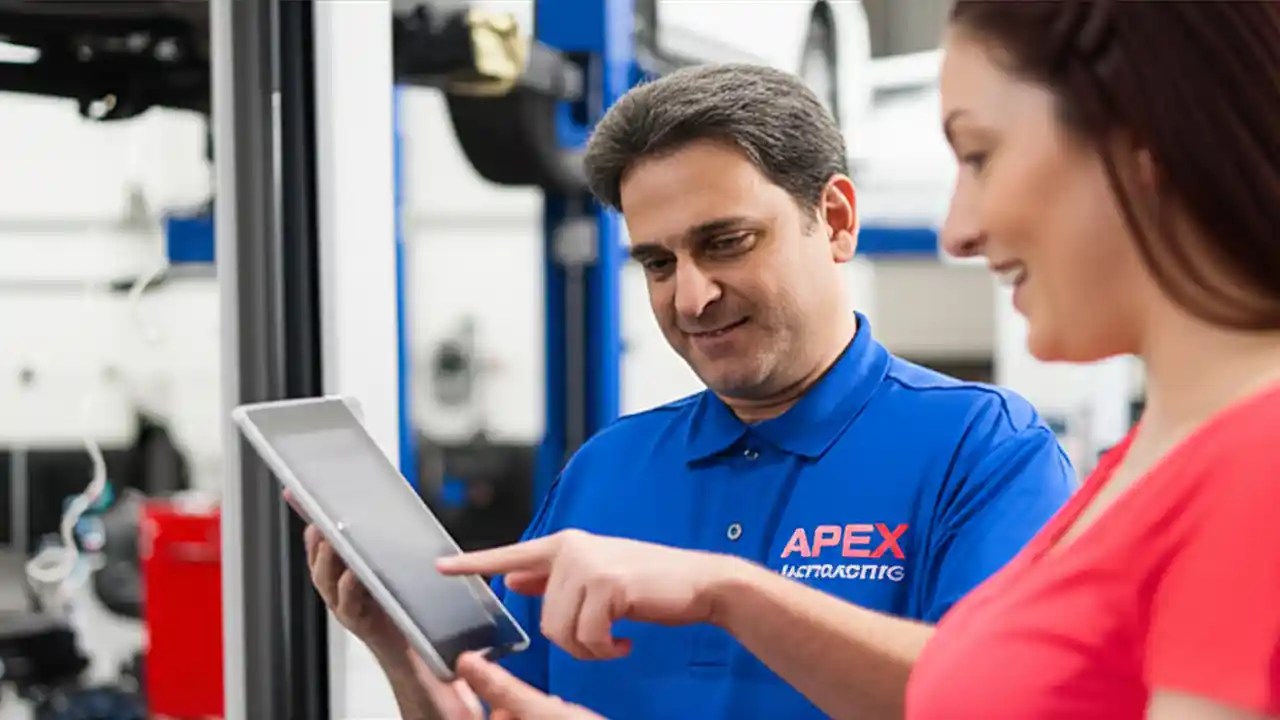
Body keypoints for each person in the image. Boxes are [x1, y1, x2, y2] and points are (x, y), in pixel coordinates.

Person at [436, 1, 1280, 719]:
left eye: (978, 155)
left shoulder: (1006, 452)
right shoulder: (1148, 473)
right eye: (657, 264)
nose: (957, 229)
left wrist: (729, 593)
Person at [301, 63, 1079, 718]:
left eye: (726, 243)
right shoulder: (608, 468)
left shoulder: (983, 452)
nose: (692, 297)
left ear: (835, 219)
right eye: (658, 264)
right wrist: (405, 658)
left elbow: (1000, 699)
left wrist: (726, 591)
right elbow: (508, 704)